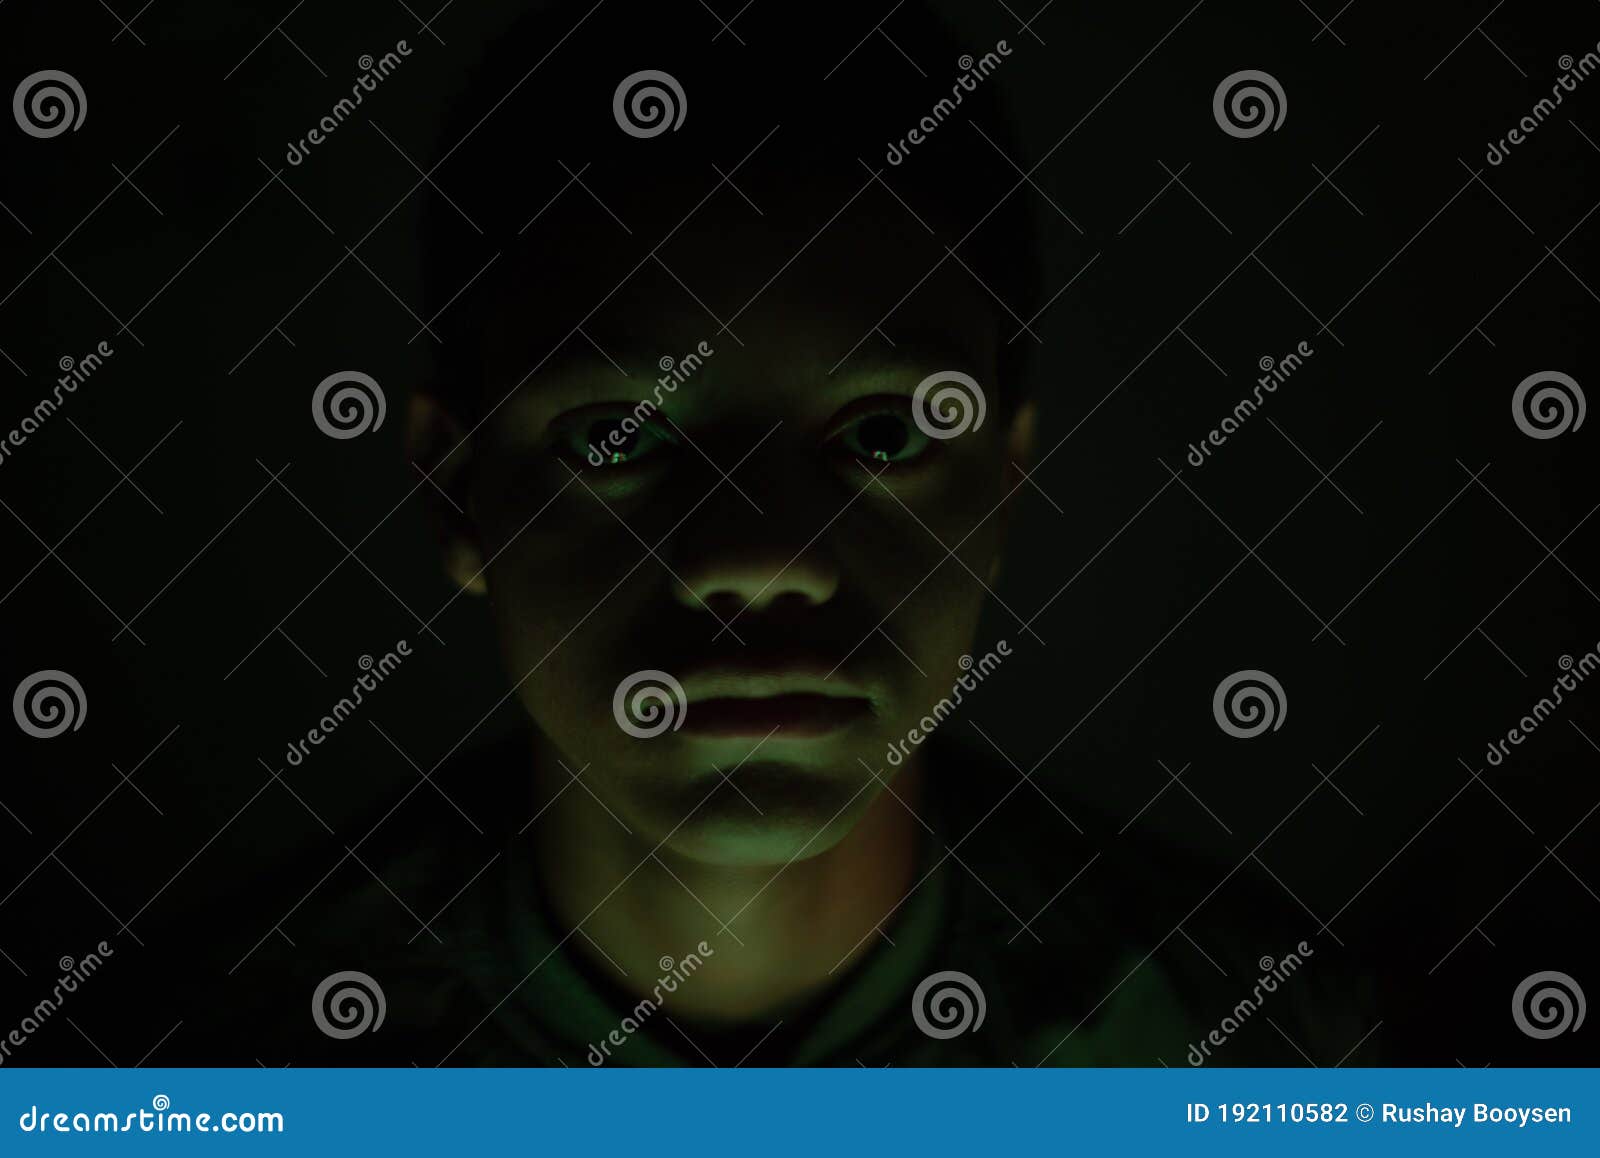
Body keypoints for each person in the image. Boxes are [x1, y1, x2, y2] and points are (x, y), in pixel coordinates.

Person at [152, 0, 1371, 1067]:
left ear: (1004, 488)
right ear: (453, 492)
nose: (757, 555)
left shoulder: (1256, 1052)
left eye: (884, 438)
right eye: (615, 439)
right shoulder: (198, 1064)